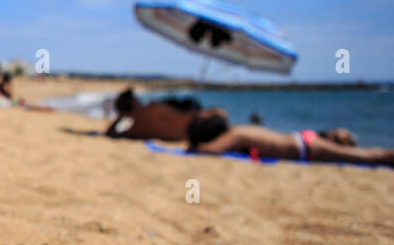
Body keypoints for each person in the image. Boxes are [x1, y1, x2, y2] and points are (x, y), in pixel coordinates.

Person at [187, 115, 394, 166]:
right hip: (303, 140)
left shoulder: (234, 135)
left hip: (305, 147)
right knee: (361, 154)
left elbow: (211, 151)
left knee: (366, 157)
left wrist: (195, 147)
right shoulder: (239, 129)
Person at [105, 88, 227, 141]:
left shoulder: (136, 129)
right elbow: (218, 112)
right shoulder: (155, 109)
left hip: (194, 134)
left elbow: (110, 133)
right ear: (134, 101)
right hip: (198, 132)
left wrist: (120, 116)